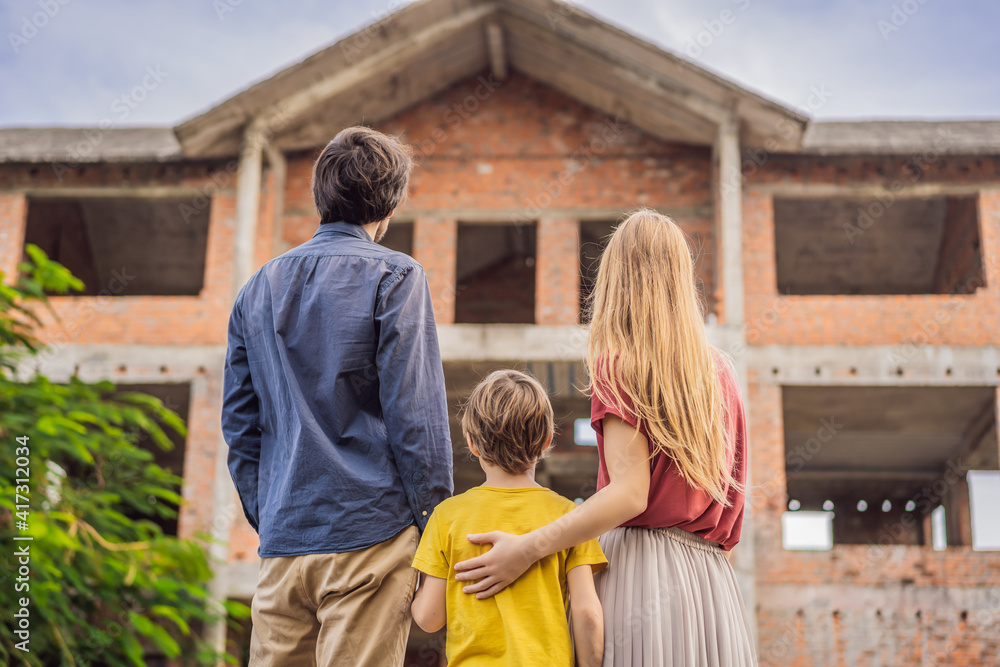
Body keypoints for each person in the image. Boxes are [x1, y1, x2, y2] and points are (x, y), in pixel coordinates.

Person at [452, 209, 757, 666]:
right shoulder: (721, 373)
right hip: (712, 584)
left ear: (617, 278)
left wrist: (526, 549)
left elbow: (630, 496)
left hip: (643, 572)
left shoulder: (620, 363)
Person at [221, 126, 453, 666]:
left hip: (284, 541)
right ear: (389, 205)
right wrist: (433, 528)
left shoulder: (257, 288)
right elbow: (415, 416)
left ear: (320, 196)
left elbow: (239, 423)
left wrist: (270, 513)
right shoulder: (397, 276)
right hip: (370, 535)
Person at [410, 369, 608, 667]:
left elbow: (429, 618)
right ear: (547, 441)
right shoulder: (570, 518)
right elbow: (587, 613)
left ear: (472, 443)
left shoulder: (447, 517)